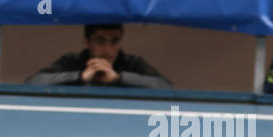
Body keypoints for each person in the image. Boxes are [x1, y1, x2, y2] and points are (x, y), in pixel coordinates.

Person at [25, 24, 171, 88]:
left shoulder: (132, 63)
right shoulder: (72, 61)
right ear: (87, 41)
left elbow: (166, 88)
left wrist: (119, 79)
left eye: (114, 41)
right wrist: (79, 77)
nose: (107, 50)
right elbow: (33, 83)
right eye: (100, 41)